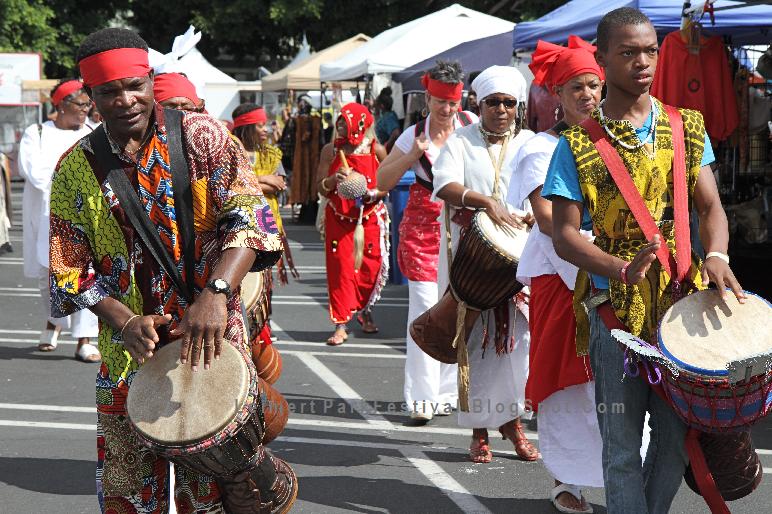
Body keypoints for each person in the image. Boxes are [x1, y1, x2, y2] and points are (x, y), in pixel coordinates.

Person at [48, 28, 295, 513]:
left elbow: (255, 217)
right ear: (91, 97)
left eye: (134, 85)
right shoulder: (74, 169)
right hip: (129, 359)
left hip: (213, 349)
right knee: (128, 497)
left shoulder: (203, 136)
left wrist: (217, 292)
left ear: (149, 79)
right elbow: (69, 271)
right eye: (108, 92)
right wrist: (125, 321)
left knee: (216, 497)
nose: (124, 100)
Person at [544, 9, 744, 513]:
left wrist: (715, 253)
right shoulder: (576, 144)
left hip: (680, 306)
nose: (643, 62)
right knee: (621, 448)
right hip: (615, 314)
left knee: (675, 443)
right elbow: (566, 235)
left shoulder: (685, 126)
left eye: (650, 50)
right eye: (628, 52)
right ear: (603, 58)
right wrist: (617, 268)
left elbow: (710, 206)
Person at [508, 36, 605, 514]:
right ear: (555, 98)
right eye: (575, 88)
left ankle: (627, 472)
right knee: (567, 380)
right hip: (560, 276)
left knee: (617, 380)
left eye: (593, 85)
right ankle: (568, 480)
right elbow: (547, 220)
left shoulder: (618, 143)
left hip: (618, 275)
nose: (587, 95)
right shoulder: (540, 149)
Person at [432, 65, 539, 463]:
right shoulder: (461, 141)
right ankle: (479, 430)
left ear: (518, 107)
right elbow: (444, 185)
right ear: (478, 104)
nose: (500, 109)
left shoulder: (529, 141)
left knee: (518, 343)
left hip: (521, 254)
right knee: (476, 339)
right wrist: (486, 201)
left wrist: (533, 214)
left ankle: (512, 422)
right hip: (472, 256)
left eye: (508, 103)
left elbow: (541, 188)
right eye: (492, 102)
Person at [377, 60, 477, 422]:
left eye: (452, 102)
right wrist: (411, 156)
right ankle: (421, 399)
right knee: (423, 308)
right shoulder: (412, 134)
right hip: (423, 228)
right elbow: (382, 180)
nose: (447, 110)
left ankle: (447, 391)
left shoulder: (471, 126)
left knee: (456, 307)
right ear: (428, 98)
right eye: (440, 102)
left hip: (464, 228)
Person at [18, 79, 101, 363]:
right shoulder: (37, 132)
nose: (86, 111)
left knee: (85, 275)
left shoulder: (93, 131)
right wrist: (68, 184)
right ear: (61, 105)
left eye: (89, 105)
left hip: (83, 217)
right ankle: (54, 321)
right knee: (47, 277)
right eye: (81, 105)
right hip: (45, 217)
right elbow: (33, 170)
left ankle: (84, 340)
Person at [316, 103, 389, 346]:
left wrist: (372, 193)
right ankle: (341, 323)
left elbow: (388, 183)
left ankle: (365, 311)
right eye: (338, 122)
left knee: (370, 266)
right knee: (340, 271)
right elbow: (319, 187)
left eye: (343, 123)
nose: (339, 127)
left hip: (369, 218)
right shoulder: (331, 150)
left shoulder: (376, 150)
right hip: (339, 219)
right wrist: (331, 180)